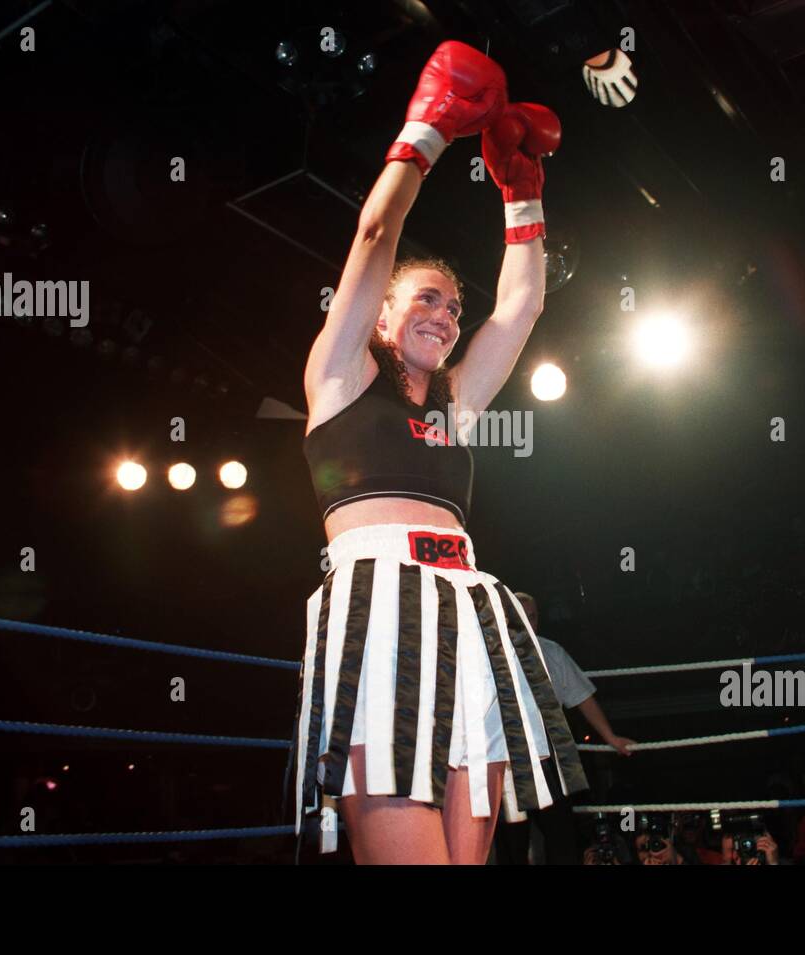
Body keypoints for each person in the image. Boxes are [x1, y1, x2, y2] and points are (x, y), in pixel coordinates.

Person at [293, 40, 586, 864]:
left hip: (467, 608)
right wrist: (425, 134)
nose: (448, 316)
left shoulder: (457, 404)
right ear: (383, 319)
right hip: (377, 608)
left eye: (455, 308)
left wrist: (521, 188)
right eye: (427, 299)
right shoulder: (341, 378)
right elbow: (376, 232)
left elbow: (523, 306)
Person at [491, 592, 635, 863]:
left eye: (532, 616)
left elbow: (582, 697)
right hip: (506, 757)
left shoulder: (551, 651)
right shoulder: (488, 654)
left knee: (561, 836)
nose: (526, 622)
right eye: (519, 615)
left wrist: (610, 737)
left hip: (548, 755)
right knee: (512, 841)